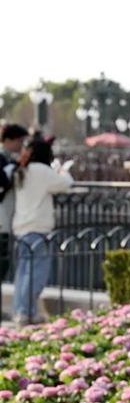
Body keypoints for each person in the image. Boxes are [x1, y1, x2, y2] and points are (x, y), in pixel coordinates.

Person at [8, 136, 73, 326]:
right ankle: (27, 312)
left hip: (21, 228)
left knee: (23, 273)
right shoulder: (42, 171)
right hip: (38, 228)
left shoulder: (23, 170)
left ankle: (20, 310)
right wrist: (63, 170)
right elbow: (65, 184)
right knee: (36, 273)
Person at [0, 124, 30, 282]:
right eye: (19, 141)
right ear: (8, 140)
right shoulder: (3, 160)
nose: (21, 145)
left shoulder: (9, 160)